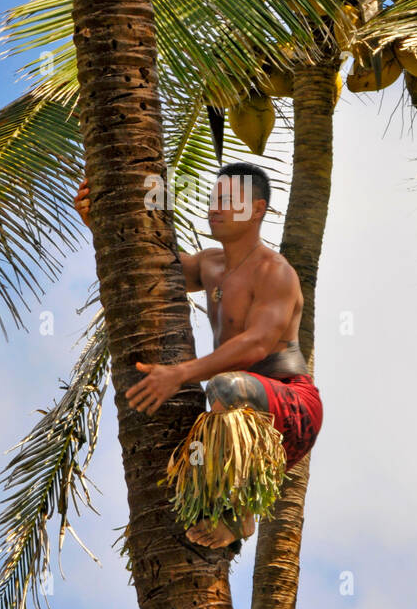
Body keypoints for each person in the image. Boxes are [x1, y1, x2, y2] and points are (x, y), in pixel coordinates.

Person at [73, 163, 323, 549]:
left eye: (228, 200)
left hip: (293, 410)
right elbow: (149, 267)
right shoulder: (210, 265)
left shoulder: (276, 272)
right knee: (199, 424)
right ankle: (207, 506)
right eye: (214, 198)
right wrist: (101, 221)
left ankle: (241, 516)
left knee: (223, 386)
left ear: (257, 210)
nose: (215, 207)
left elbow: (257, 344)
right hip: (236, 417)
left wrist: (179, 374)